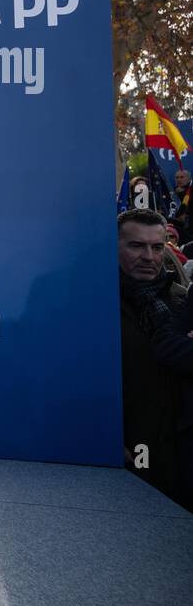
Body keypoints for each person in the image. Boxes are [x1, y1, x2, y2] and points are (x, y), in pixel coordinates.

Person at [117, 208, 193, 508]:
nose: (148, 256)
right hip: (129, 446)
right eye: (136, 245)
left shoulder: (181, 300)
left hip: (181, 449)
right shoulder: (94, 306)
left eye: (157, 246)